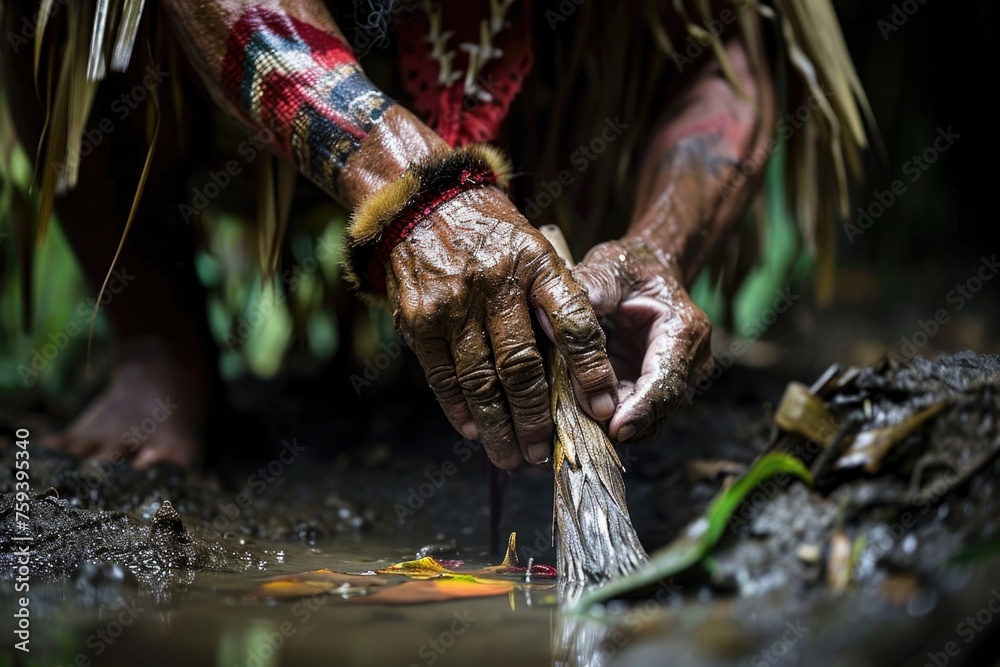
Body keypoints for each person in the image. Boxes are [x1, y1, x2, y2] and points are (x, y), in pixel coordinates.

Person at [2, 0, 870, 469]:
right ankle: (159, 346)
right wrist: (406, 186)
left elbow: (736, 51)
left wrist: (660, 244)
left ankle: (536, 323)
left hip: (556, 96)